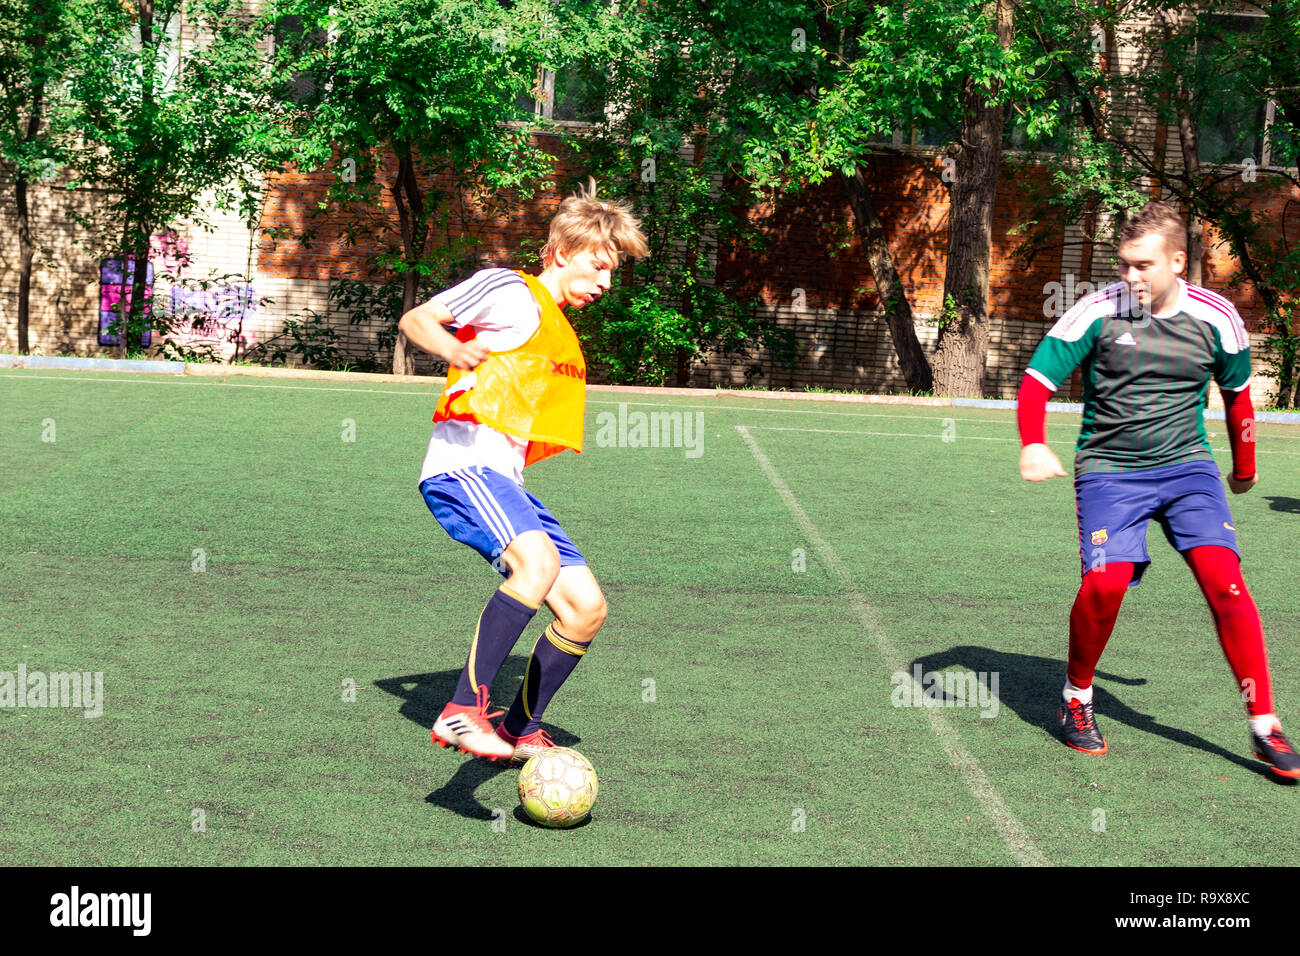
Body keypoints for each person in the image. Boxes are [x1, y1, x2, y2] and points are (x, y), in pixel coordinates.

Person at [1016, 199, 1298, 780]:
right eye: (1124, 264)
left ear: (1177, 262)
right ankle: (1077, 696)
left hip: (1186, 468)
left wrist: (1244, 470)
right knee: (1105, 585)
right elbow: (1037, 381)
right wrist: (1032, 441)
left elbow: (1239, 398)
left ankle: (1265, 725)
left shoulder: (1217, 318)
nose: (1129, 277)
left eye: (1142, 265)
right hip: (1110, 469)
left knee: (1227, 584)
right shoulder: (1096, 312)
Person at [398, 178, 649, 764]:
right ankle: (462, 711)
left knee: (586, 607)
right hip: (463, 468)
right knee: (536, 564)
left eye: (613, 273)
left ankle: (517, 727)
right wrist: (451, 348)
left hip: (502, 478)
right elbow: (418, 319)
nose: (606, 284)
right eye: (597, 267)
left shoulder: (553, 323)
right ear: (561, 252)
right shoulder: (510, 288)